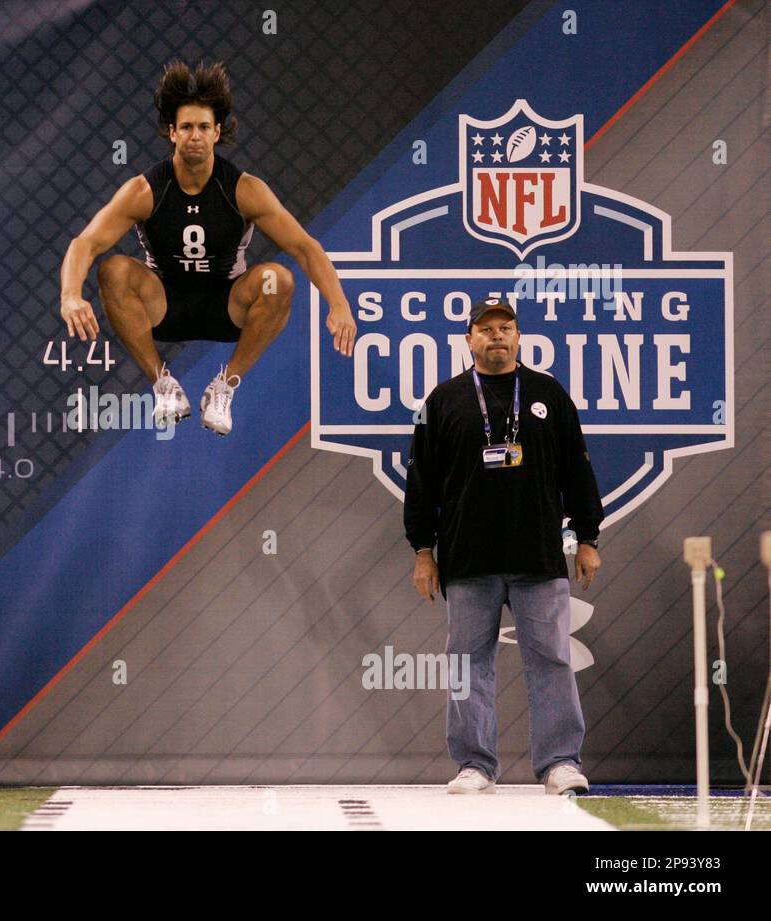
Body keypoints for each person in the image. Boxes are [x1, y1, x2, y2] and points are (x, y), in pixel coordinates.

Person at [58, 60, 356, 436]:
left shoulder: (244, 189)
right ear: (172, 133)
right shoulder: (145, 191)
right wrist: (70, 295)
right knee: (113, 270)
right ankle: (163, 386)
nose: (194, 135)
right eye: (186, 127)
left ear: (217, 132)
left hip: (226, 305)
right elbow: (85, 243)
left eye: (203, 127)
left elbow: (305, 248)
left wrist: (339, 304)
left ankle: (223, 388)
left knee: (276, 280)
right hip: (162, 303)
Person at [403, 297, 604, 796]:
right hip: (468, 556)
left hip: (537, 553)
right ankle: (475, 764)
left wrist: (587, 537)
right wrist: (423, 551)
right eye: (486, 328)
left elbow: (577, 470)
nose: (496, 336)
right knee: (467, 661)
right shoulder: (443, 401)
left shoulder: (548, 394)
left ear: (518, 337)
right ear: (468, 339)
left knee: (551, 659)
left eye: (505, 327)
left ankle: (560, 762)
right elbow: (422, 483)